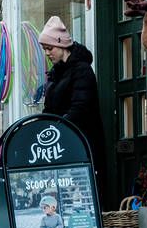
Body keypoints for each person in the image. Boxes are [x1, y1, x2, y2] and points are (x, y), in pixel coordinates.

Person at [39, 16, 105, 165]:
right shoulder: (56, 73)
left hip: (80, 144)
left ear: (62, 45)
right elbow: (49, 109)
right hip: (61, 144)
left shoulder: (82, 70)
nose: (47, 53)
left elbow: (81, 109)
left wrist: (56, 128)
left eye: (50, 48)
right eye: (45, 49)